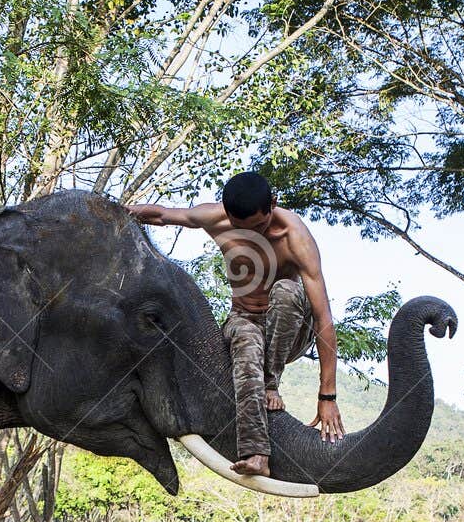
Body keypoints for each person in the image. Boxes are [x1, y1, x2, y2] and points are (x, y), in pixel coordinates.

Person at [130, 172, 343, 477]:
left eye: (259, 226)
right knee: (244, 333)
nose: (252, 235)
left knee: (286, 290)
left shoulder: (294, 236)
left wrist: (327, 397)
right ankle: (257, 454)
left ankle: (271, 382)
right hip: (243, 321)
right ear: (228, 214)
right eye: (243, 229)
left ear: (273, 204)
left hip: (290, 330)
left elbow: (323, 319)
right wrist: (118, 211)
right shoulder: (214, 218)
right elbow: (163, 215)